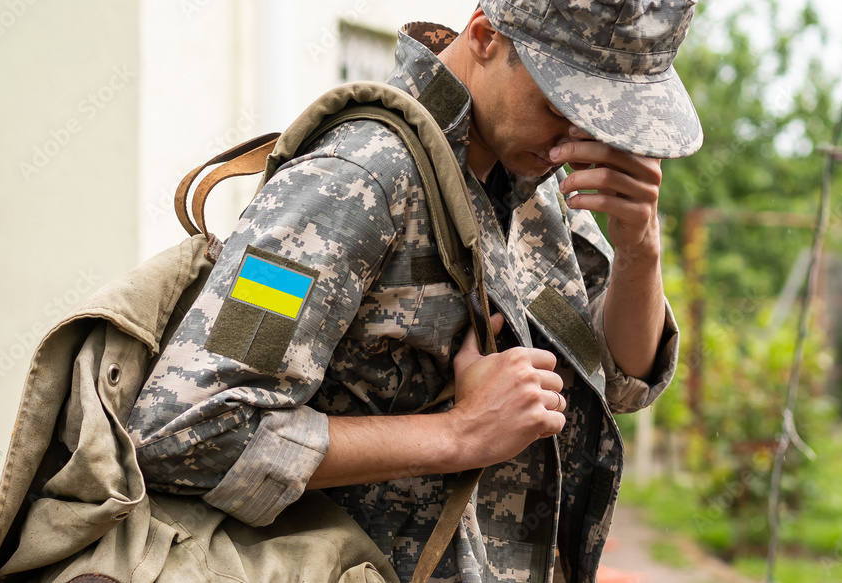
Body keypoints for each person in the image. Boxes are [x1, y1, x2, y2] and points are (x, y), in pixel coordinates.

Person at [125, 0, 702, 581]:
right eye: (563, 104)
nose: (576, 141)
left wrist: (639, 249)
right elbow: (188, 430)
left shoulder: (528, 174)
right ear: (484, 36)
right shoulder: (353, 178)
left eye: (606, 120)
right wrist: (459, 433)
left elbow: (623, 379)